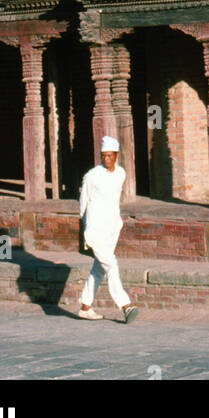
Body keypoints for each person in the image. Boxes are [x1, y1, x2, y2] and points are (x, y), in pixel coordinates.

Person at [78, 136, 139, 323]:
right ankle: (125, 305)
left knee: (99, 268)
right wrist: (84, 231)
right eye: (103, 156)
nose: (106, 159)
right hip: (95, 229)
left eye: (110, 156)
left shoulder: (121, 173)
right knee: (111, 264)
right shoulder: (91, 176)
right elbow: (83, 205)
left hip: (112, 228)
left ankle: (85, 306)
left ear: (117, 155)